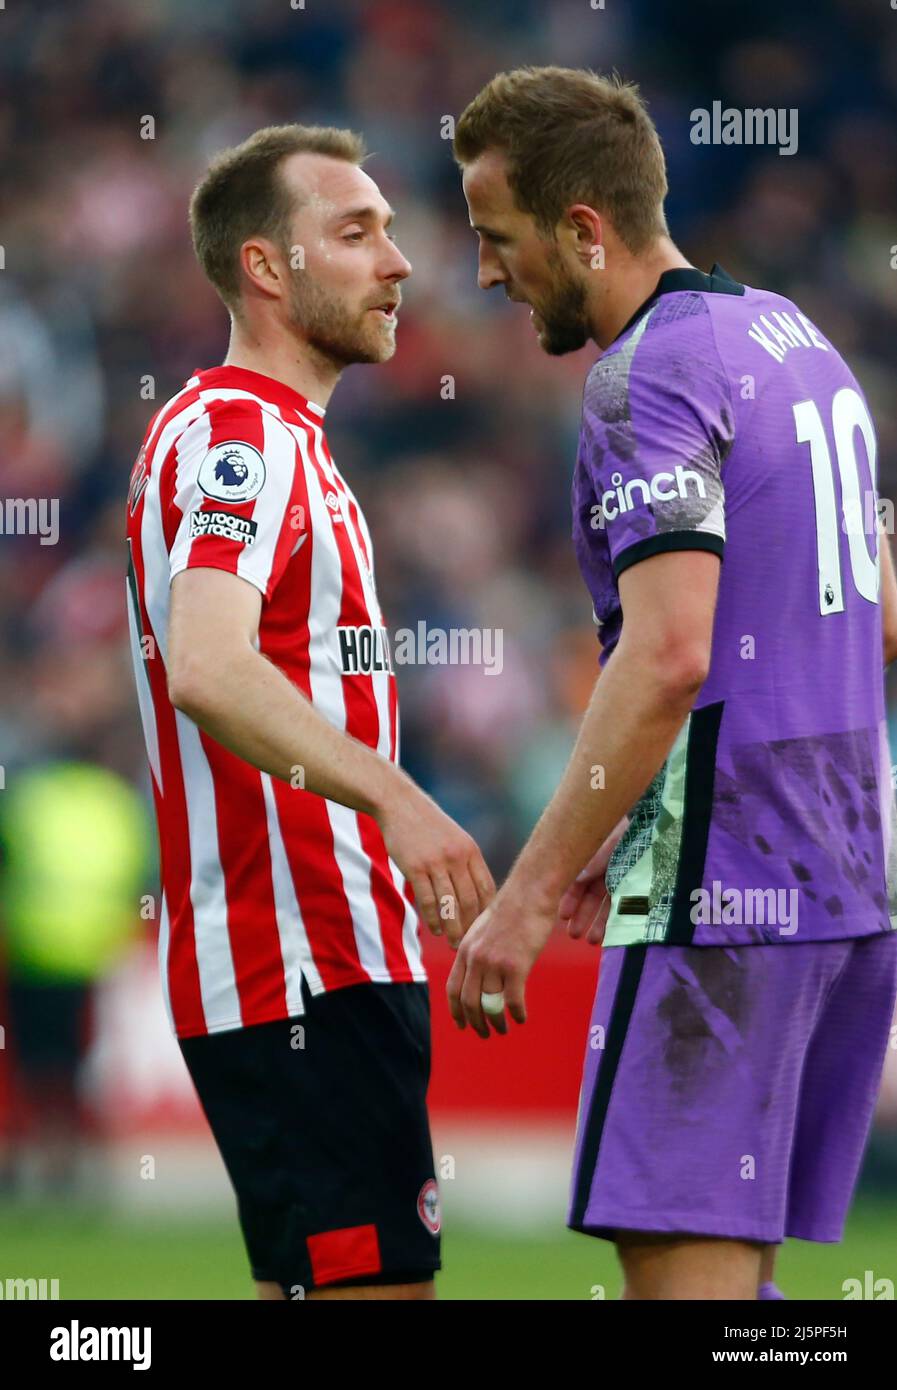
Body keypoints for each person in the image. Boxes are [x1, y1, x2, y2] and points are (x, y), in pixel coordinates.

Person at [448, 66, 897, 1301]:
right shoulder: (800, 343)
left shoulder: (640, 377)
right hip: (847, 884)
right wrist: (635, 812)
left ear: (583, 229)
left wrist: (524, 897)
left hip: (728, 891)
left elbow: (668, 651)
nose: (487, 273)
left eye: (499, 238)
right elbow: (879, 618)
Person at [125, 124, 494, 1301]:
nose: (398, 262)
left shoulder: (291, 444)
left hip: (325, 958)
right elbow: (210, 667)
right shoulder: (240, 439)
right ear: (266, 269)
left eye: (389, 231)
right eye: (356, 231)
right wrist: (405, 803)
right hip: (300, 965)